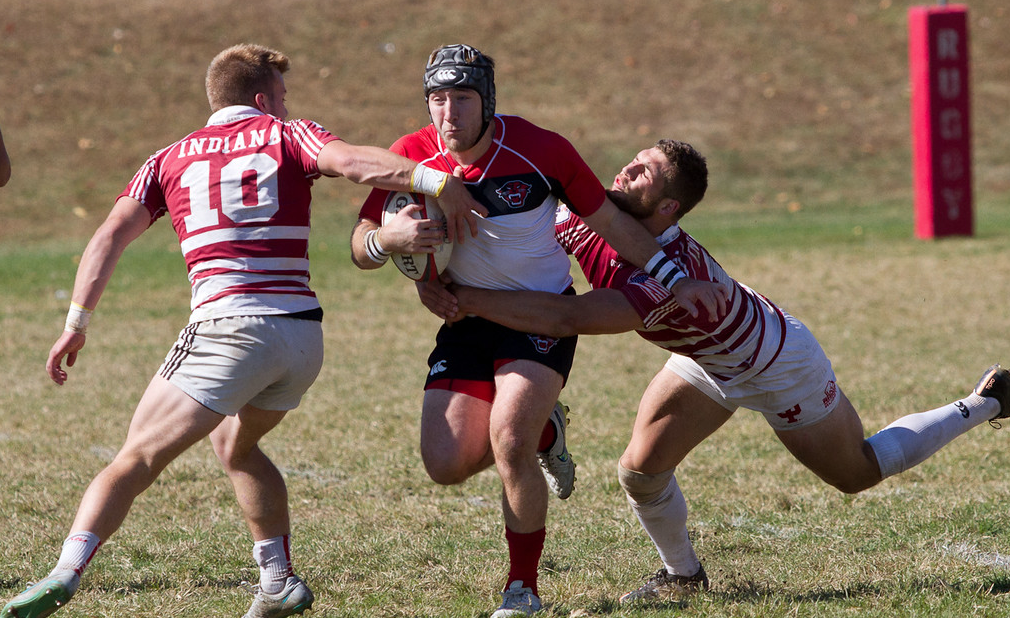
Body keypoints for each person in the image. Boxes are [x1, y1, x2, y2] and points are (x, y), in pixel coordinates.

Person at [2, 43, 483, 618]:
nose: (285, 107)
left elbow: (109, 235)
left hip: (229, 330)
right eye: (281, 98)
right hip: (302, 339)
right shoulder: (289, 134)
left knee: (134, 458)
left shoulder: (167, 158)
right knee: (236, 443)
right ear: (262, 98)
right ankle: (277, 581)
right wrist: (435, 181)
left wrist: (76, 322)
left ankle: (64, 572)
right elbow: (355, 163)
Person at [432, 139, 1010, 605]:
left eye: (644, 173)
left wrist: (465, 297)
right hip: (706, 360)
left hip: (776, 364)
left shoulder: (668, 275)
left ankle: (985, 401)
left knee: (856, 473)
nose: (626, 169)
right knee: (639, 473)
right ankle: (682, 576)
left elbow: (568, 317)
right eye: (635, 158)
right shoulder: (590, 218)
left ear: (667, 210)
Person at [349, 46, 727, 617]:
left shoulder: (542, 149)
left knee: (508, 438)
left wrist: (674, 279)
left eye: (463, 99)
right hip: (464, 318)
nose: (449, 114)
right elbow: (359, 246)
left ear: (488, 100)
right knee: (445, 465)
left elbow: (610, 222)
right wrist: (387, 243)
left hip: (539, 315)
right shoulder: (409, 155)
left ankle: (521, 590)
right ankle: (546, 431)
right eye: (437, 100)